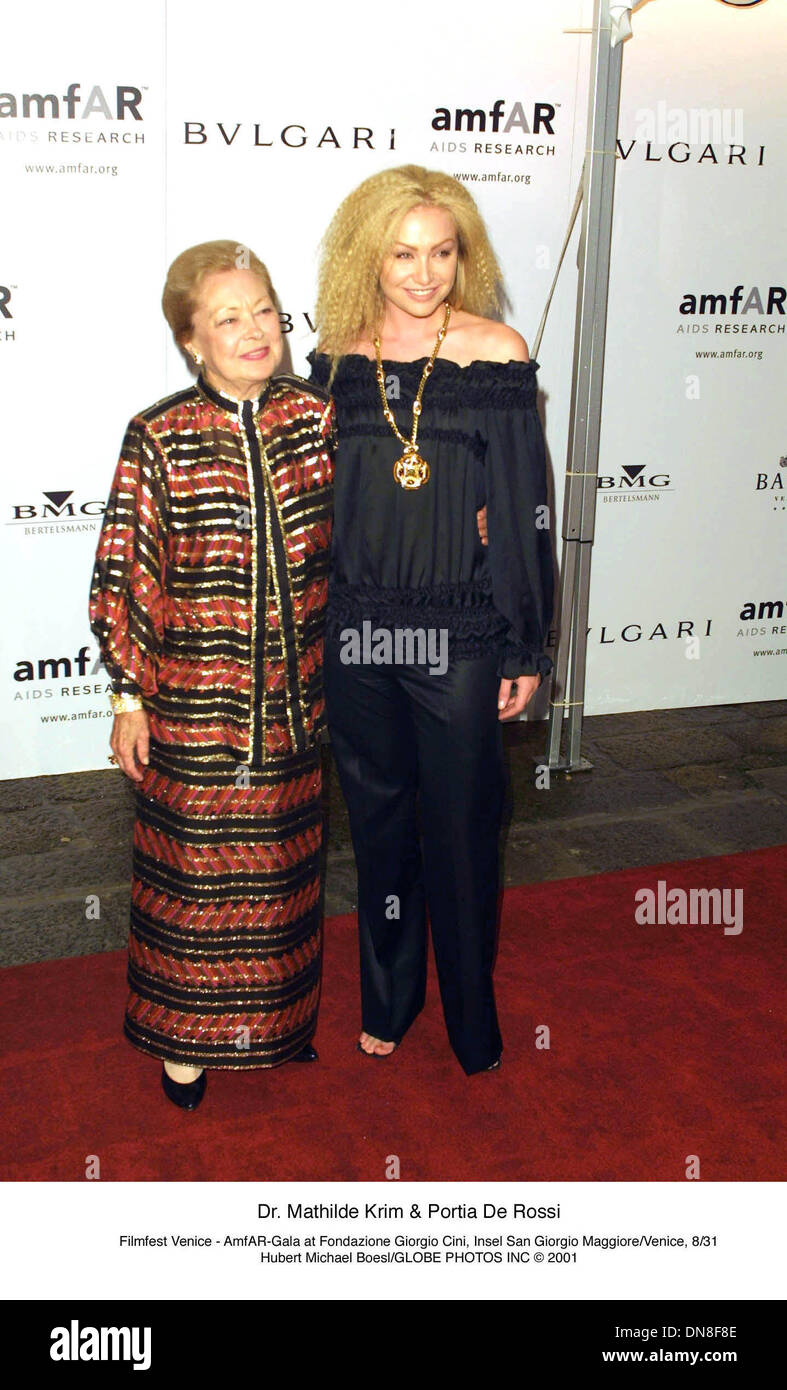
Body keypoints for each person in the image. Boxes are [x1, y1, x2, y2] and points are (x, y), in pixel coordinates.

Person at [308, 166, 553, 1075]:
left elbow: (524, 505)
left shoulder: (494, 350)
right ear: (366, 259)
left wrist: (525, 641)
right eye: (402, 254)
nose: (422, 273)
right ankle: (389, 998)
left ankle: (472, 1017)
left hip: (456, 630)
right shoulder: (337, 358)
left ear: (464, 255)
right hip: (359, 627)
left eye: (441, 252)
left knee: (460, 826)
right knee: (377, 828)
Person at [90, 241, 335, 1110]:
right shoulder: (158, 433)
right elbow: (128, 567)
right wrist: (128, 693)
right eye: (228, 318)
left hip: (299, 706)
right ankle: (183, 1047)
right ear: (192, 340)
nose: (254, 330)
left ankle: (275, 1026)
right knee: (194, 886)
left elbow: (365, 542)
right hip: (193, 713)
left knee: (281, 879)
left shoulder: (315, 417)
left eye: (264, 309)